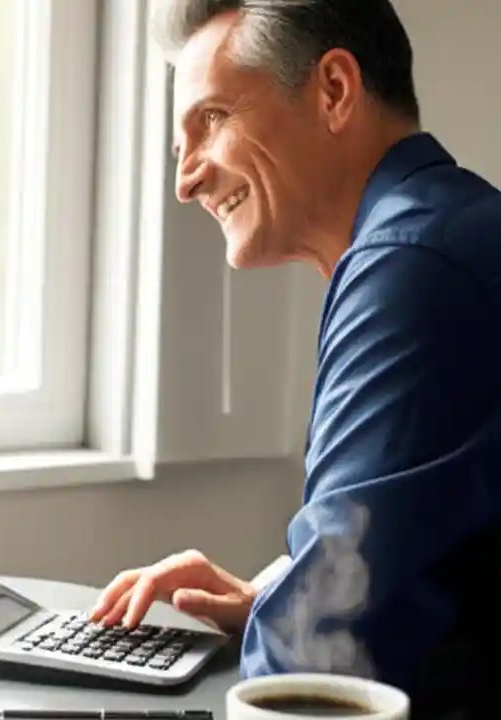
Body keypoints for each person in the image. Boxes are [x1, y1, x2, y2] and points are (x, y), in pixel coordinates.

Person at [89, 1, 501, 716]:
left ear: (335, 91)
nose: (186, 180)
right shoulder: (445, 232)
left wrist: (294, 618)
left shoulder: (413, 266)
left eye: (212, 118)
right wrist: (273, 600)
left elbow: (316, 658)